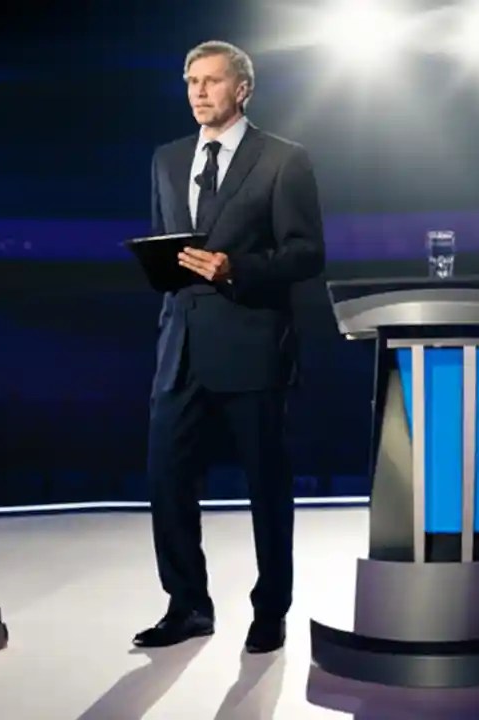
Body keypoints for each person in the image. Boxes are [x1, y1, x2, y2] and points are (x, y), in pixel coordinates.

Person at [133, 40, 325, 654]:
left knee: (267, 485)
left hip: (252, 344)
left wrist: (234, 267)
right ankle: (187, 605)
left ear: (241, 89)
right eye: (191, 81)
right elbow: (171, 243)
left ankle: (271, 611)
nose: (198, 92)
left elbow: (306, 253)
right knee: (167, 479)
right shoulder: (166, 159)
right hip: (180, 346)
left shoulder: (283, 160)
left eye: (211, 82)